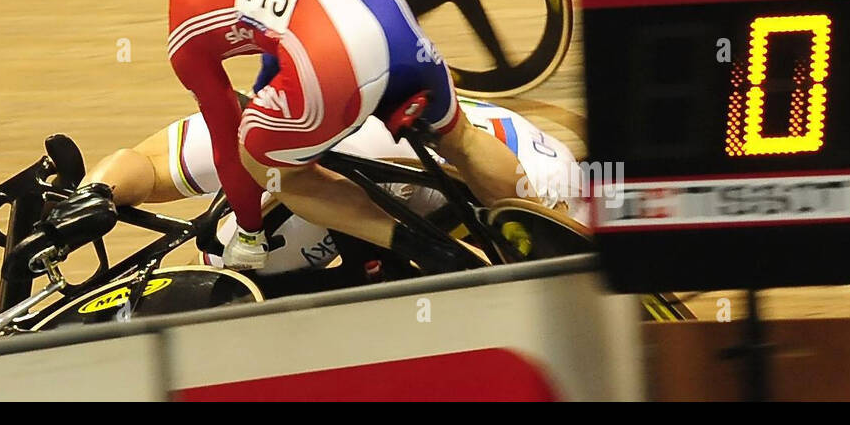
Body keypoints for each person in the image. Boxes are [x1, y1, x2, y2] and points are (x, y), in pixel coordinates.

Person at [110, 0, 542, 273]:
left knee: (260, 159)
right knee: (461, 139)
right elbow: (285, 23)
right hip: (398, 27)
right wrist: (268, 90)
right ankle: (548, 236)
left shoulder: (184, 16)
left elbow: (225, 142)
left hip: (333, 64)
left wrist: (249, 230)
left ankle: (423, 246)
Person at [67, 95, 587, 277]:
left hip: (526, 192)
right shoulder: (259, 129)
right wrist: (97, 193)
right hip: (475, 170)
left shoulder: (547, 189)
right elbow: (145, 163)